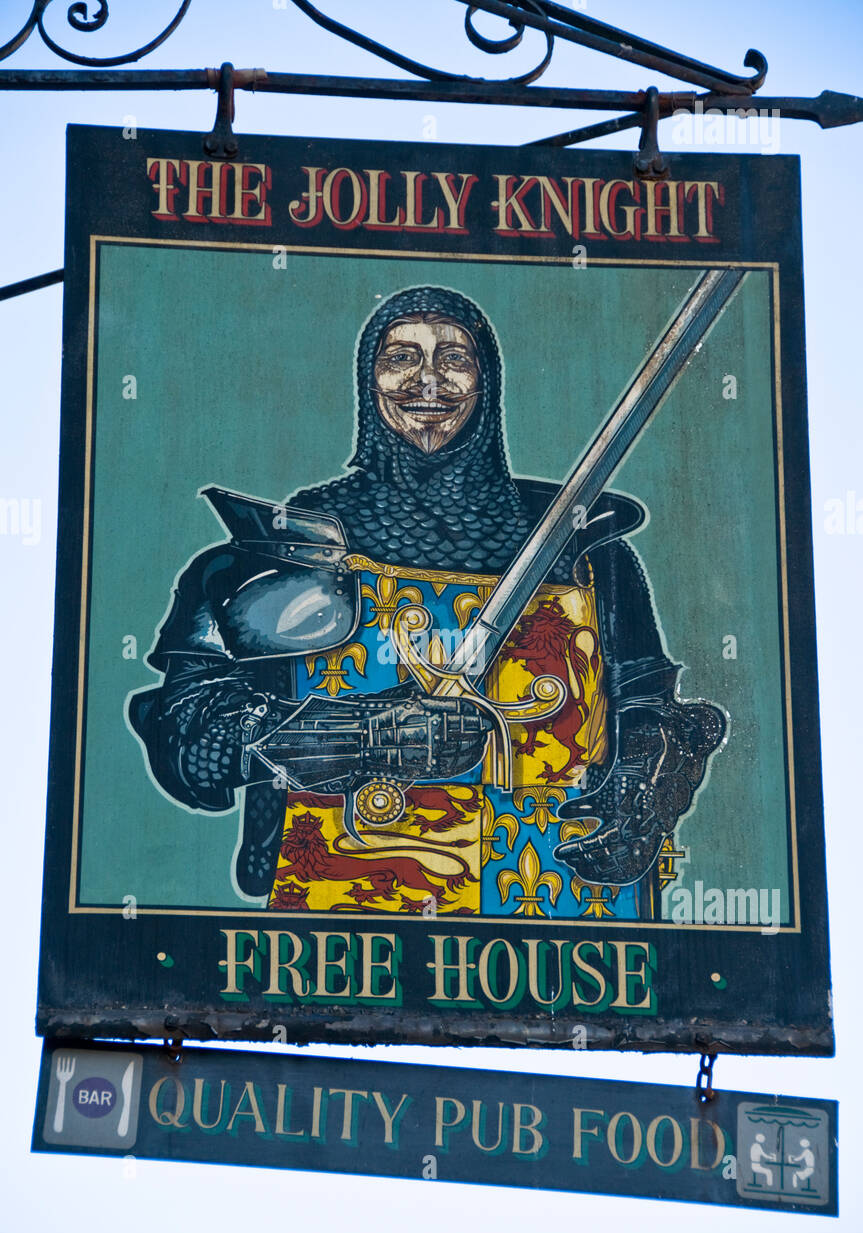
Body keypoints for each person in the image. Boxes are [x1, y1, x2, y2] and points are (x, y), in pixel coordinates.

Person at [128, 285, 725, 916]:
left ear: (485, 381)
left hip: (563, 897)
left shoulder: (582, 546)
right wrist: (359, 736)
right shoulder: (284, 550)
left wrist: (642, 784)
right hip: (350, 899)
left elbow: (648, 706)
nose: (429, 380)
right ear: (370, 378)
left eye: (455, 359)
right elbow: (187, 740)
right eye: (401, 357)